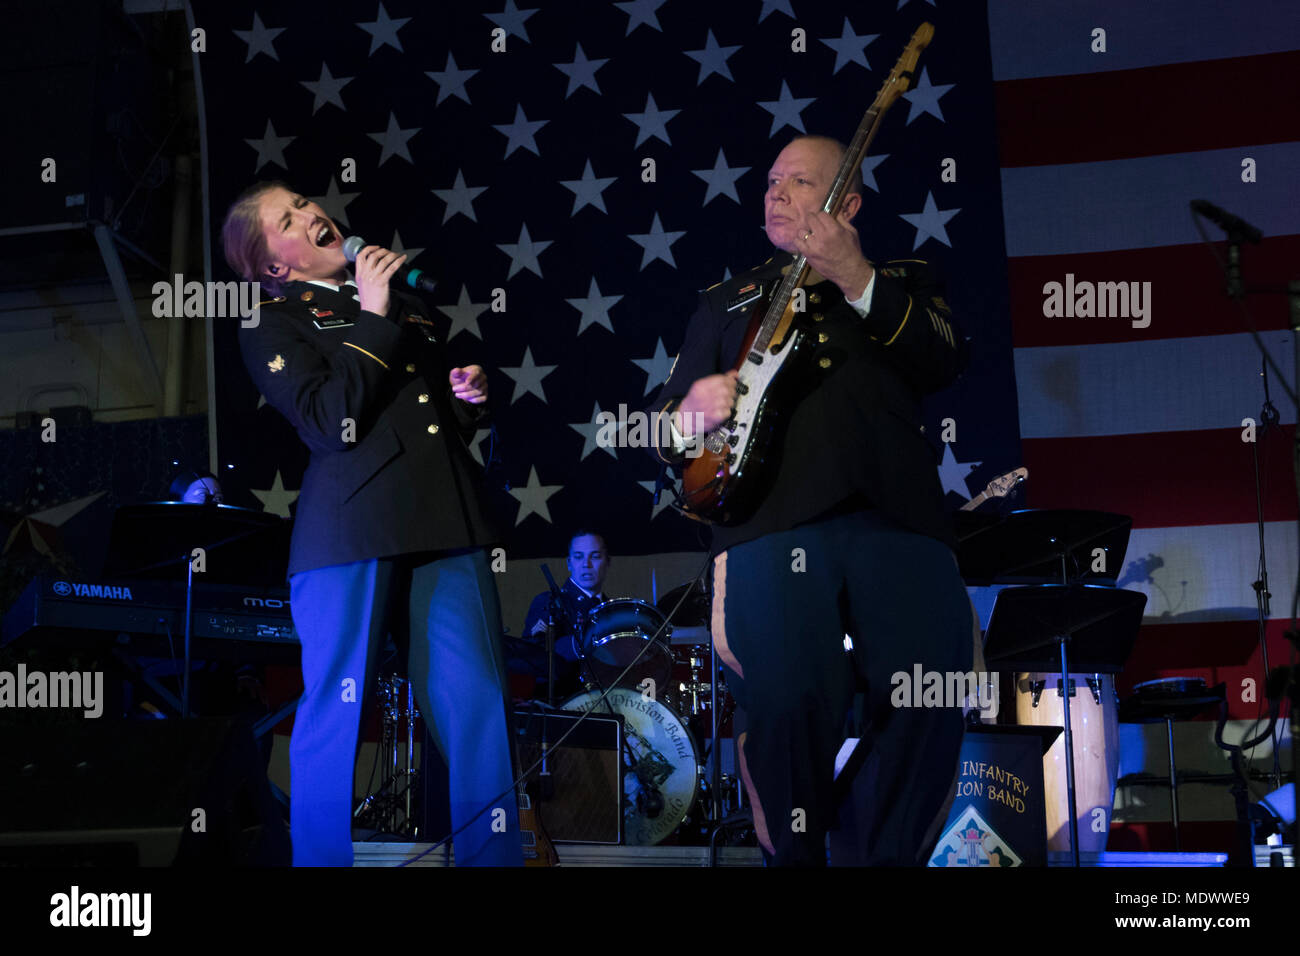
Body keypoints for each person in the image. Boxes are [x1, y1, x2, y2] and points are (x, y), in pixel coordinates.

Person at [646, 135, 974, 866]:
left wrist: (854, 274)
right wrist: (687, 413)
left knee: (925, 700)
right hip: (768, 524)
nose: (775, 193)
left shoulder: (904, 277)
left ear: (846, 203)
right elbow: (657, 429)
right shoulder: (726, 300)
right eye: (770, 182)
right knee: (789, 704)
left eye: (798, 182)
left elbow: (947, 356)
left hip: (899, 522)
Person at [222, 181, 521, 866]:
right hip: (350, 533)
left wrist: (464, 396)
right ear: (273, 266)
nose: (311, 214)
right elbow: (332, 421)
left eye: (306, 203)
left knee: (477, 707)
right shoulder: (272, 321)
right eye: (288, 219)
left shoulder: (406, 308)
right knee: (337, 711)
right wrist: (376, 313)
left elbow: (420, 418)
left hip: (445, 518)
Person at [519, 528, 610, 699]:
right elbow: (534, 657)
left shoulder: (612, 611)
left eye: (595, 556)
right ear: (569, 563)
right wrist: (579, 643)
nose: (586, 564)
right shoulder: (548, 602)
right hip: (561, 703)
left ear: (607, 562)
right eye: (578, 557)